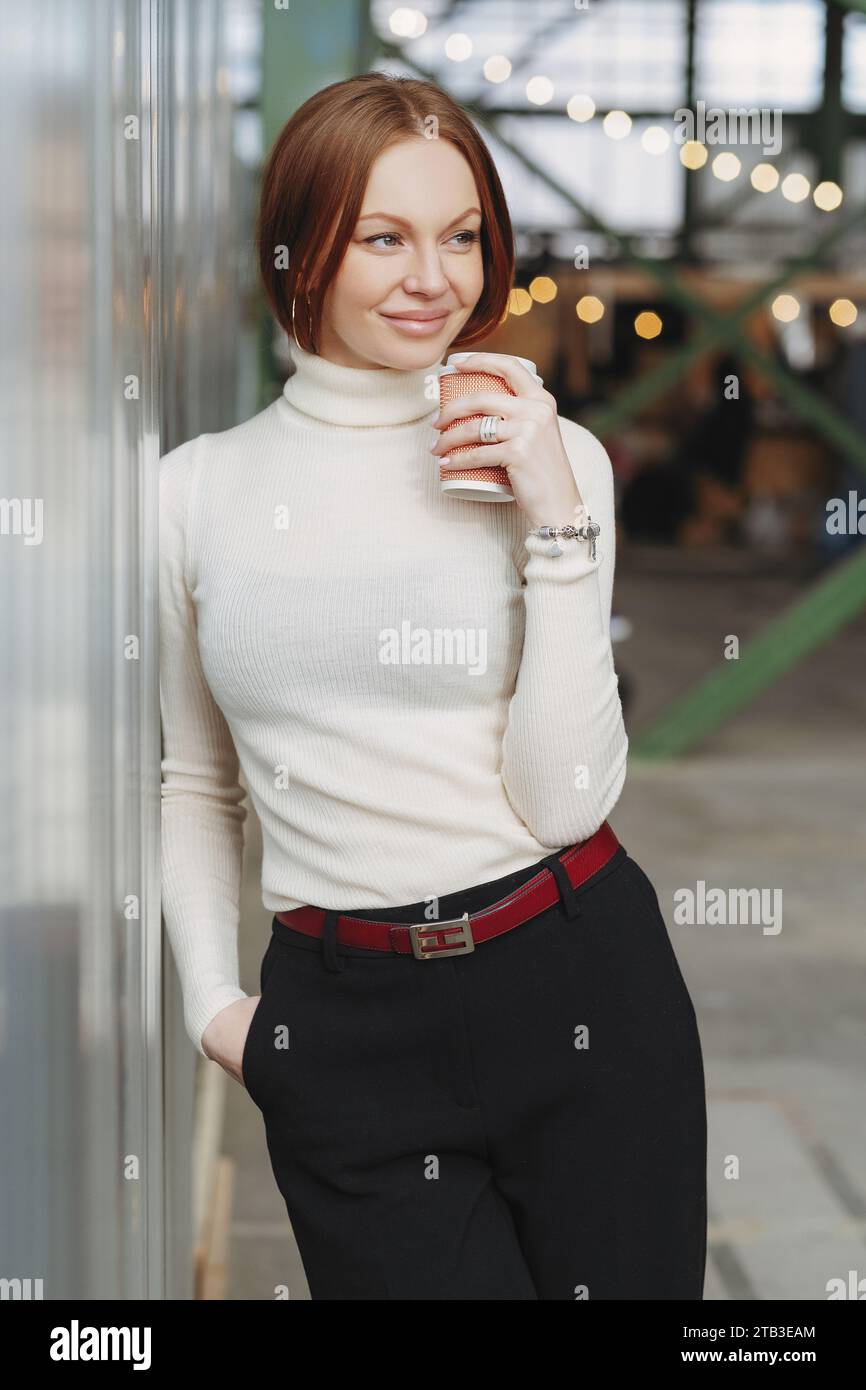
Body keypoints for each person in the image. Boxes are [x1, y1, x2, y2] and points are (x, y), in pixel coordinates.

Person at [159, 72, 707, 1301]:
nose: (434, 278)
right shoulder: (194, 494)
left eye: (460, 236)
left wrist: (554, 520)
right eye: (383, 238)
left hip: (576, 983)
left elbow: (564, 800)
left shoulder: (551, 455)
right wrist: (213, 1009)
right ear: (298, 248)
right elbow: (196, 781)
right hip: (338, 1021)